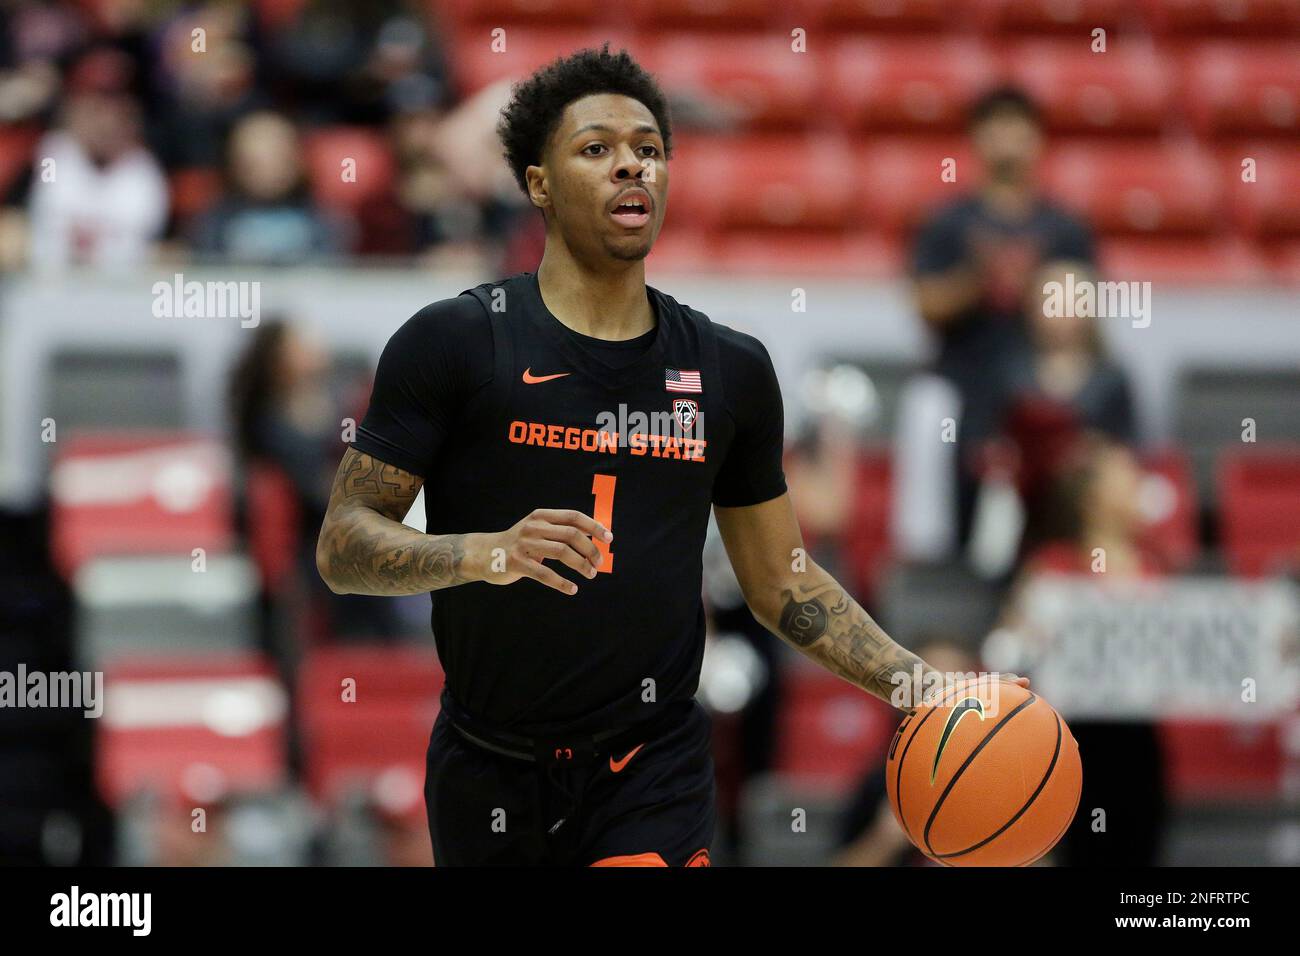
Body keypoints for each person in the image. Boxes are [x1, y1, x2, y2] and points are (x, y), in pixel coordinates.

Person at [315, 45, 1027, 866]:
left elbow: (783, 580)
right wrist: (482, 553)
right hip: (490, 767)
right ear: (537, 182)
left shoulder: (730, 369)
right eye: (597, 149)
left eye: (649, 149)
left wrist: (920, 686)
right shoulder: (454, 342)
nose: (632, 167)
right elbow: (342, 547)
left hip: (652, 766)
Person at [911, 87, 1096, 546]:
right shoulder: (948, 222)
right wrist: (978, 278)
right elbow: (926, 303)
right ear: (976, 139)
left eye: (1019, 126)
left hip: (1040, 390)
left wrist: (1036, 289)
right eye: (996, 126)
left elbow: (1086, 307)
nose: (1008, 139)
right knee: (952, 519)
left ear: (1038, 139)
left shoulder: (1064, 227)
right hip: (961, 387)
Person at [991, 436, 1168, 865]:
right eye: (1124, 474)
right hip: (1066, 737)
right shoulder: (1051, 565)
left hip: (1136, 739)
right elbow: (1007, 647)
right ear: (1092, 495)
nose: (1137, 482)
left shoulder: (1153, 567)